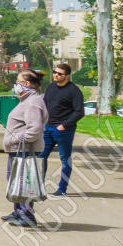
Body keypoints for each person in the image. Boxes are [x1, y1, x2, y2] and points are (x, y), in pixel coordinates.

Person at [2, 69, 48, 228]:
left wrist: (20, 139)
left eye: (18, 81)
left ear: (27, 84)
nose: (16, 85)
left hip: (24, 150)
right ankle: (18, 211)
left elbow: (34, 129)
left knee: (23, 183)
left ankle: (26, 215)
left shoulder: (33, 102)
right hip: (19, 149)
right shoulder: (27, 100)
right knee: (16, 181)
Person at [42, 62, 86, 197]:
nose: (56, 75)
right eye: (55, 72)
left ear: (67, 76)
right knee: (40, 157)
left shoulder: (74, 91)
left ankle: (62, 189)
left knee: (65, 159)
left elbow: (79, 112)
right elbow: (44, 105)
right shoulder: (50, 87)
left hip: (63, 130)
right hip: (47, 128)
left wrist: (64, 126)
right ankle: (38, 186)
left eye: (59, 74)